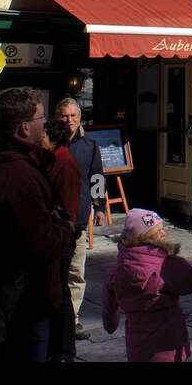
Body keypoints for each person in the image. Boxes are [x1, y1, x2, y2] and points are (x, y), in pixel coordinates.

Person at [0, 88, 73, 362]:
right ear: (24, 128)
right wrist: (65, 229)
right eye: (41, 119)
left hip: (1, 293)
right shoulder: (19, 175)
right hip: (25, 298)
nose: (45, 125)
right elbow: (41, 243)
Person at [101, 208, 192, 362]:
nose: (164, 234)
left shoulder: (116, 271)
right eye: (158, 231)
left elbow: (109, 308)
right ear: (147, 238)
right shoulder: (166, 266)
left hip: (137, 349)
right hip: (168, 347)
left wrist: (110, 325)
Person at [54, 98, 105, 341]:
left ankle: (72, 320)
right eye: (65, 116)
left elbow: (96, 176)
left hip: (79, 220)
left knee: (76, 271)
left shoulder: (89, 144)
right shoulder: (49, 145)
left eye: (74, 115)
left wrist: (100, 207)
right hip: (52, 220)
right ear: (57, 117)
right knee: (54, 272)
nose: (70, 120)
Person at [39, 118, 80, 361]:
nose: (39, 140)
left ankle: (64, 348)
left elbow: (67, 205)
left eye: (43, 136)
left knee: (61, 293)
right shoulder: (51, 160)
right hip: (54, 235)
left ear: (53, 139)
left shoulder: (63, 163)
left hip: (60, 236)